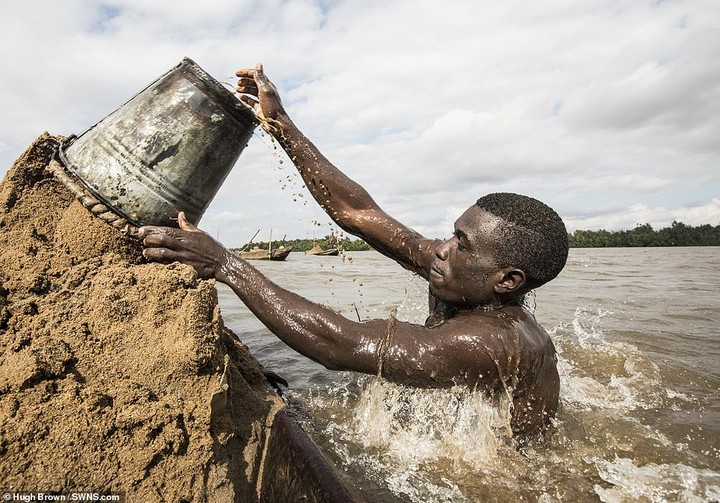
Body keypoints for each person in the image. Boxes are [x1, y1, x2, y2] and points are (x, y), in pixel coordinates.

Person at [139, 64, 569, 442]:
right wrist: (282, 123)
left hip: (518, 466)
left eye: (462, 244)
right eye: (452, 234)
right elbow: (358, 212)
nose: (440, 249)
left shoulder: (491, 340)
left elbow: (340, 345)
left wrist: (224, 264)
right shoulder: (460, 276)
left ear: (507, 281)